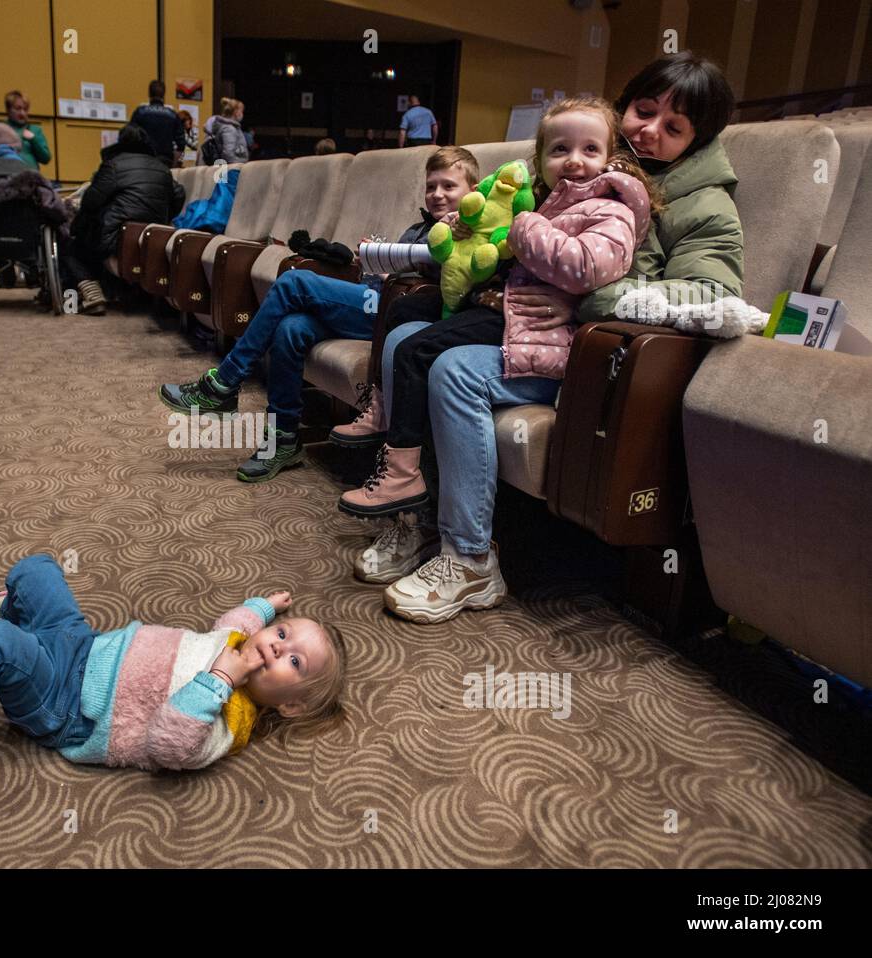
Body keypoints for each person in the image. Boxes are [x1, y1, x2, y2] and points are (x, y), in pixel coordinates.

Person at [361, 52, 742, 624]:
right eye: (643, 111)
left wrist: (584, 298)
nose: (649, 131)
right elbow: (518, 246)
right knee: (407, 336)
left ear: (699, 138)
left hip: (597, 358)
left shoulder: (703, 204)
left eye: (674, 127)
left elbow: (712, 297)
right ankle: (414, 511)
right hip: (532, 329)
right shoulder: (575, 169)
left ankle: (468, 558)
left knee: (453, 370)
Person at [339, 94, 658, 521]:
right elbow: (497, 242)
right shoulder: (542, 198)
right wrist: (464, 227)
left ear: (609, 157)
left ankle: (404, 475)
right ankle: (397, 461)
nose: (574, 160)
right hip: (504, 310)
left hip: (539, 335)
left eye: (589, 149)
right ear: (540, 157)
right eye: (559, 149)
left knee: (419, 351)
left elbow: (586, 268)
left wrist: (525, 227)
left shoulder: (609, 208)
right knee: (401, 321)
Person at [0, 554, 346, 794]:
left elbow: (169, 745)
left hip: (66, 706)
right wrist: (265, 606)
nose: (276, 646)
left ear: (292, 705)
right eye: (283, 634)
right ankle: (18, 620)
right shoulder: (237, 644)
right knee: (37, 569)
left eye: (294, 661)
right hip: (83, 644)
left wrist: (220, 678)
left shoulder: (230, 722)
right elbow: (232, 624)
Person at [156, 148, 480, 482]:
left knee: (295, 282)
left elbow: (455, 283)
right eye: (431, 186)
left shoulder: (470, 232)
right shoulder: (417, 228)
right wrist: (372, 261)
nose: (437, 195)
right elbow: (386, 277)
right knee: (290, 328)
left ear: (473, 190)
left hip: (403, 318)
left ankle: (224, 382)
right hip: (375, 301)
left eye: (448, 187)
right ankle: (282, 439)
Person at [61, 123, 184, 314]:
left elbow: (90, 202)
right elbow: (179, 194)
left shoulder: (114, 164)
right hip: (154, 238)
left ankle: (91, 292)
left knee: (70, 248)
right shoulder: (162, 168)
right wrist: (165, 216)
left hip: (117, 237)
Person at [0, 90, 51, 172]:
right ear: (8, 109)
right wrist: (5, 148)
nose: (22, 113)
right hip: (4, 175)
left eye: (25, 109)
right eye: (18, 109)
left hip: (29, 177)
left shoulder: (34, 130)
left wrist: (33, 140)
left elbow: (46, 159)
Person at [130, 79, 185, 166]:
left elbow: (130, 136)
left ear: (149, 94)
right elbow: (181, 143)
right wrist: (174, 162)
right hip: (165, 161)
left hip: (143, 160)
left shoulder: (140, 112)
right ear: (164, 95)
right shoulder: (172, 115)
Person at [201, 97, 249, 164]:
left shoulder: (226, 127)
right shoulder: (229, 129)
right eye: (241, 111)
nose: (242, 114)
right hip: (233, 168)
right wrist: (238, 164)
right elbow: (228, 154)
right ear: (236, 112)